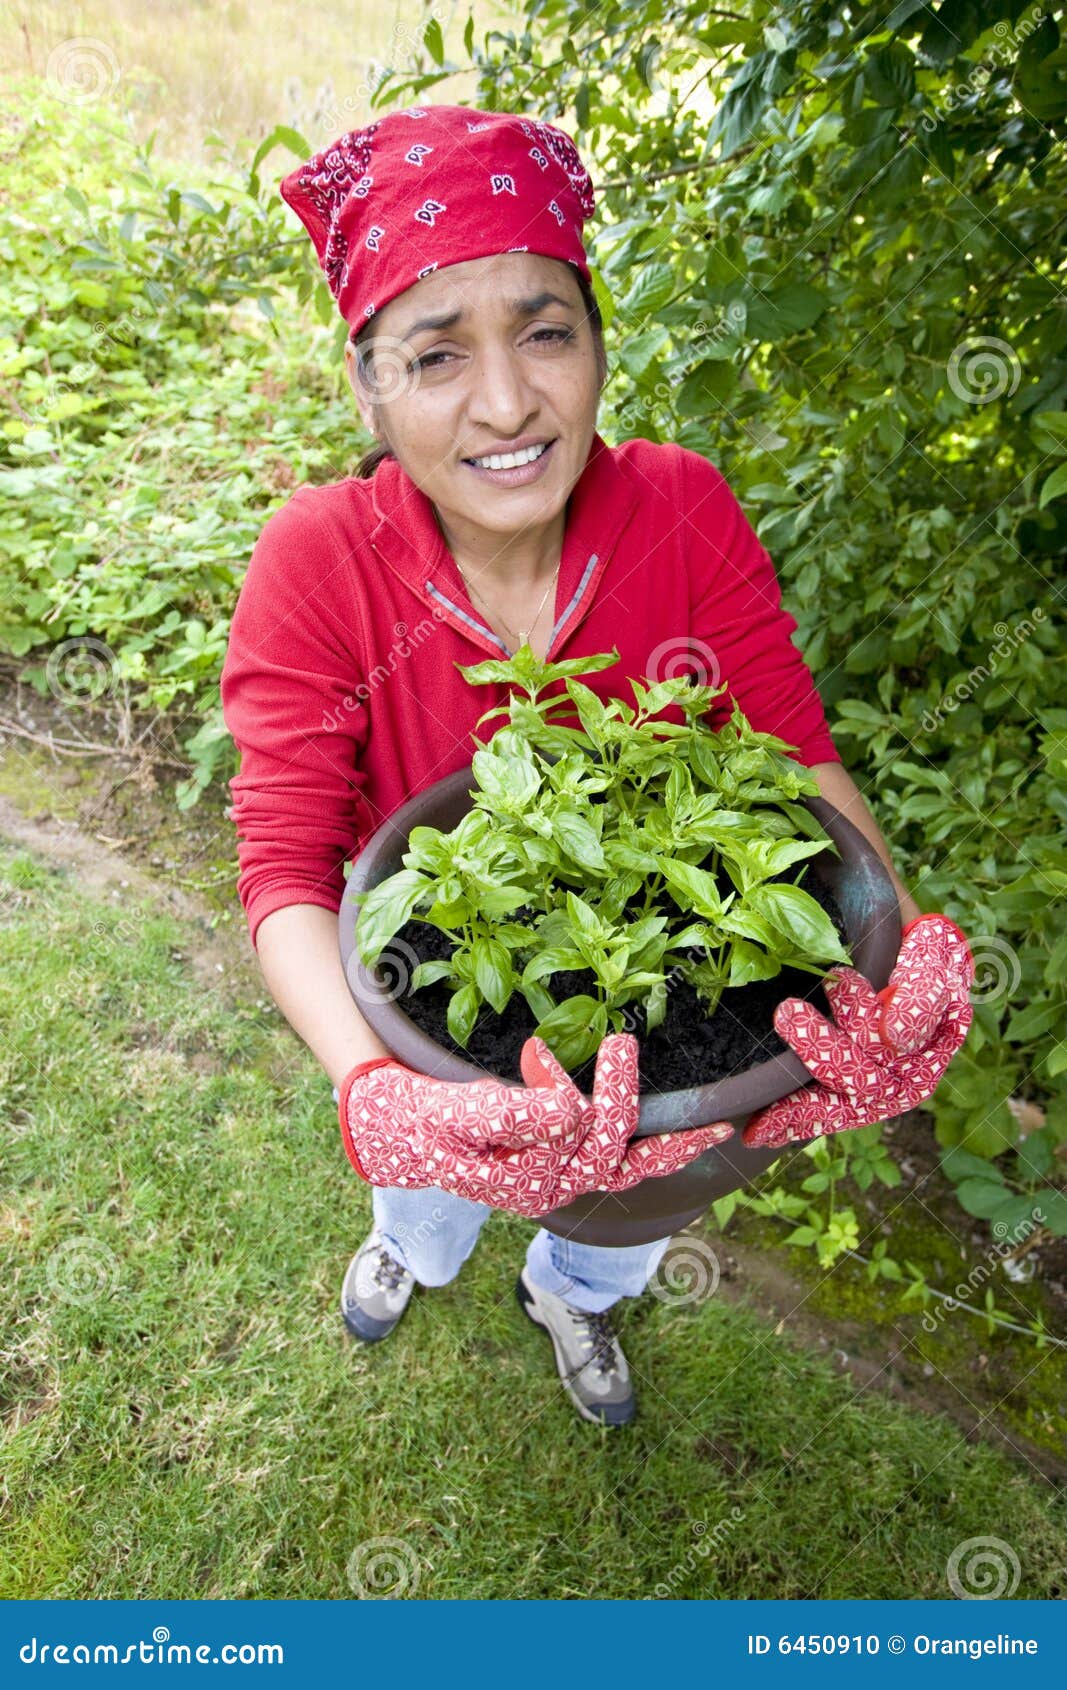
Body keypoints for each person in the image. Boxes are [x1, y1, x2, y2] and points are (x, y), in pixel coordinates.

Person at [219, 104, 974, 1429]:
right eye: (437, 353)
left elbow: (796, 755)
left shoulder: (679, 504)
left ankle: (575, 1290)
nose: (507, 403)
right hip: (437, 1021)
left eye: (544, 330)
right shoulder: (321, 557)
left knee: (635, 1200)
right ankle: (419, 1247)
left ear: (599, 342)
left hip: (667, 1048)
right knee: (431, 1181)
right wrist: (372, 1082)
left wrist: (886, 944)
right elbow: (284, 866)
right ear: (369, 386)